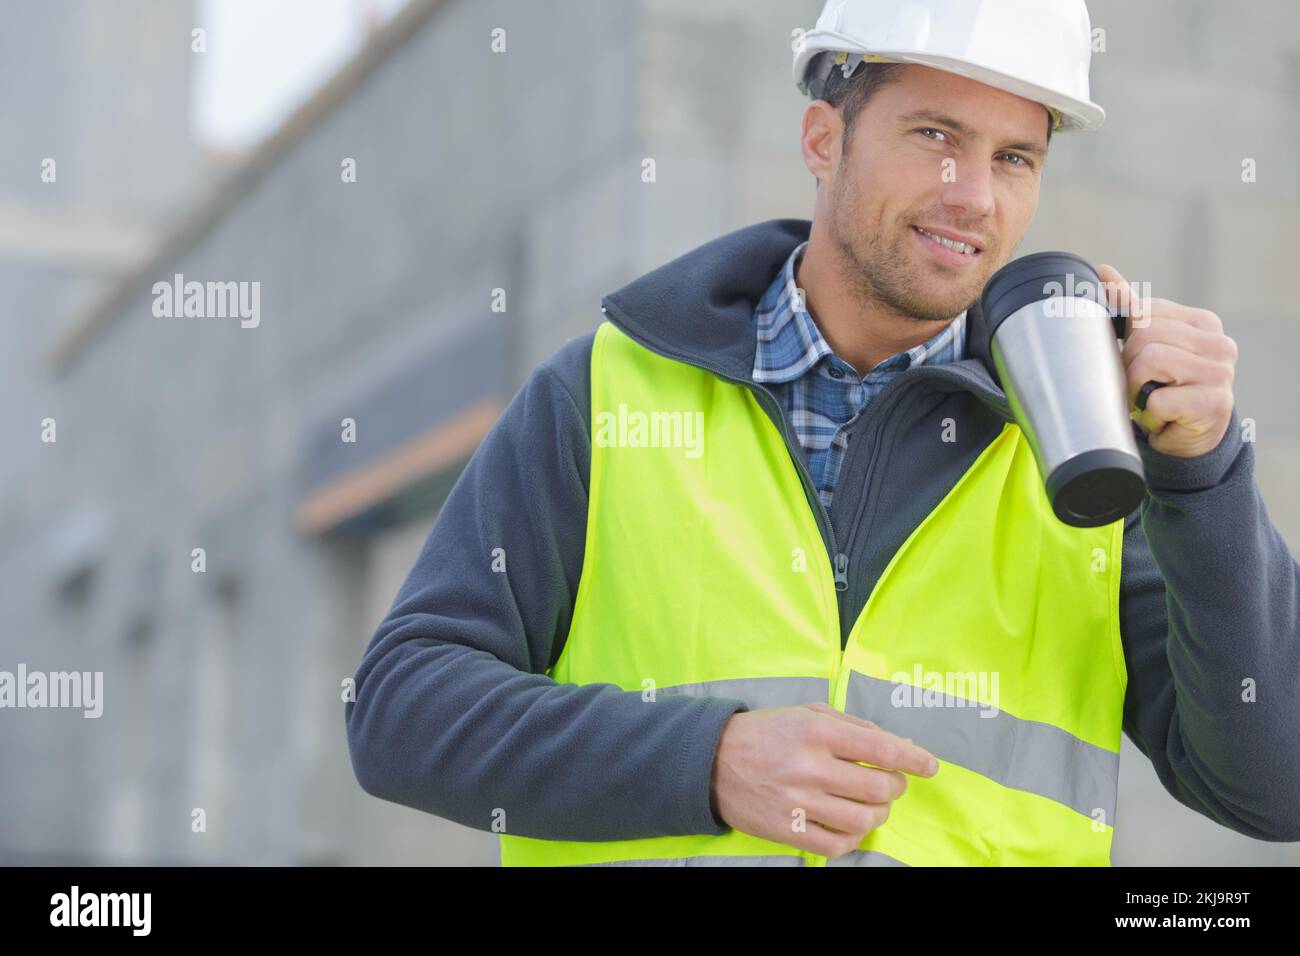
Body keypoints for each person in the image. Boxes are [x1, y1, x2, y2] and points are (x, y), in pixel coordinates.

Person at [345, 0, 1300, 865]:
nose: (973, 194)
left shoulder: (1083, 453)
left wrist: (1202, 475)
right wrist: (705, 760)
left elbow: (1273, 785)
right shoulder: (602, 394)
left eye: (1015, 158)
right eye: (935, 135)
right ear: (822, 138)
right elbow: (399, 708)